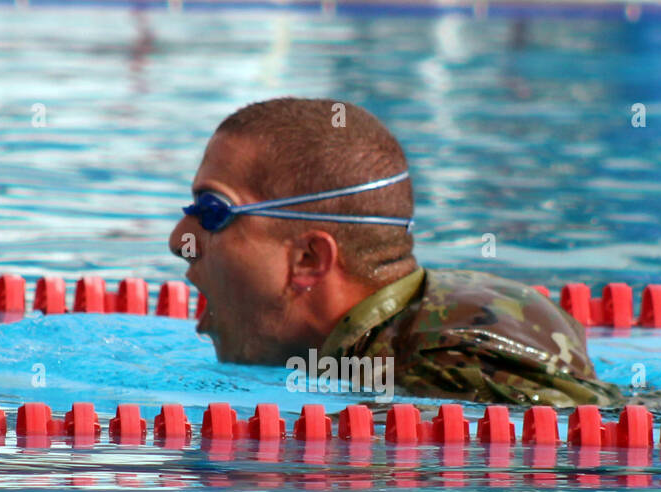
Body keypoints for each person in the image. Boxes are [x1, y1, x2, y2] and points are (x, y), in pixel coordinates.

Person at [168, 97, 622, 407]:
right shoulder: (427, 315)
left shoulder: (439, 369)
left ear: (308, 259)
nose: (179, 239)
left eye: (212, 212)